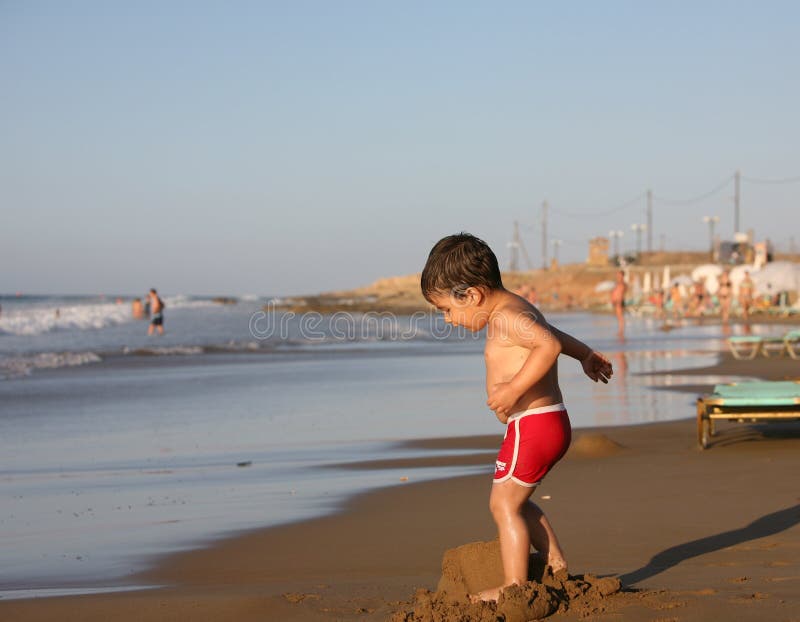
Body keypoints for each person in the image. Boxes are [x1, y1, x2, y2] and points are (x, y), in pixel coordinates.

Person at [420, 233, 613, 602]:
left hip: (533, 424)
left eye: (447, 309)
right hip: (545, 423)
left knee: (502, 505)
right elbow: (551, 334)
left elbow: (548, 345)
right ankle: (553, 561)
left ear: (472, 295)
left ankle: (514, 586)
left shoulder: (506, 317)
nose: (447, 319)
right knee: (517, 501)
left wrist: (512, 390)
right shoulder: (515, 307)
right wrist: (585, 353)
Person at [610, 270, 627, 337]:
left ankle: (621, 331)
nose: (618, 276)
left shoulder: (622, 283)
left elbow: (621, 293)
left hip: (619, 301)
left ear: (622, 276)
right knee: (618, 317)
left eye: (619, 275)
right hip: (616, 301)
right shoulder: (617, 283)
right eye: (617, 275)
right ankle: (620, 331)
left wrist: (619, 301)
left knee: (620, 317)